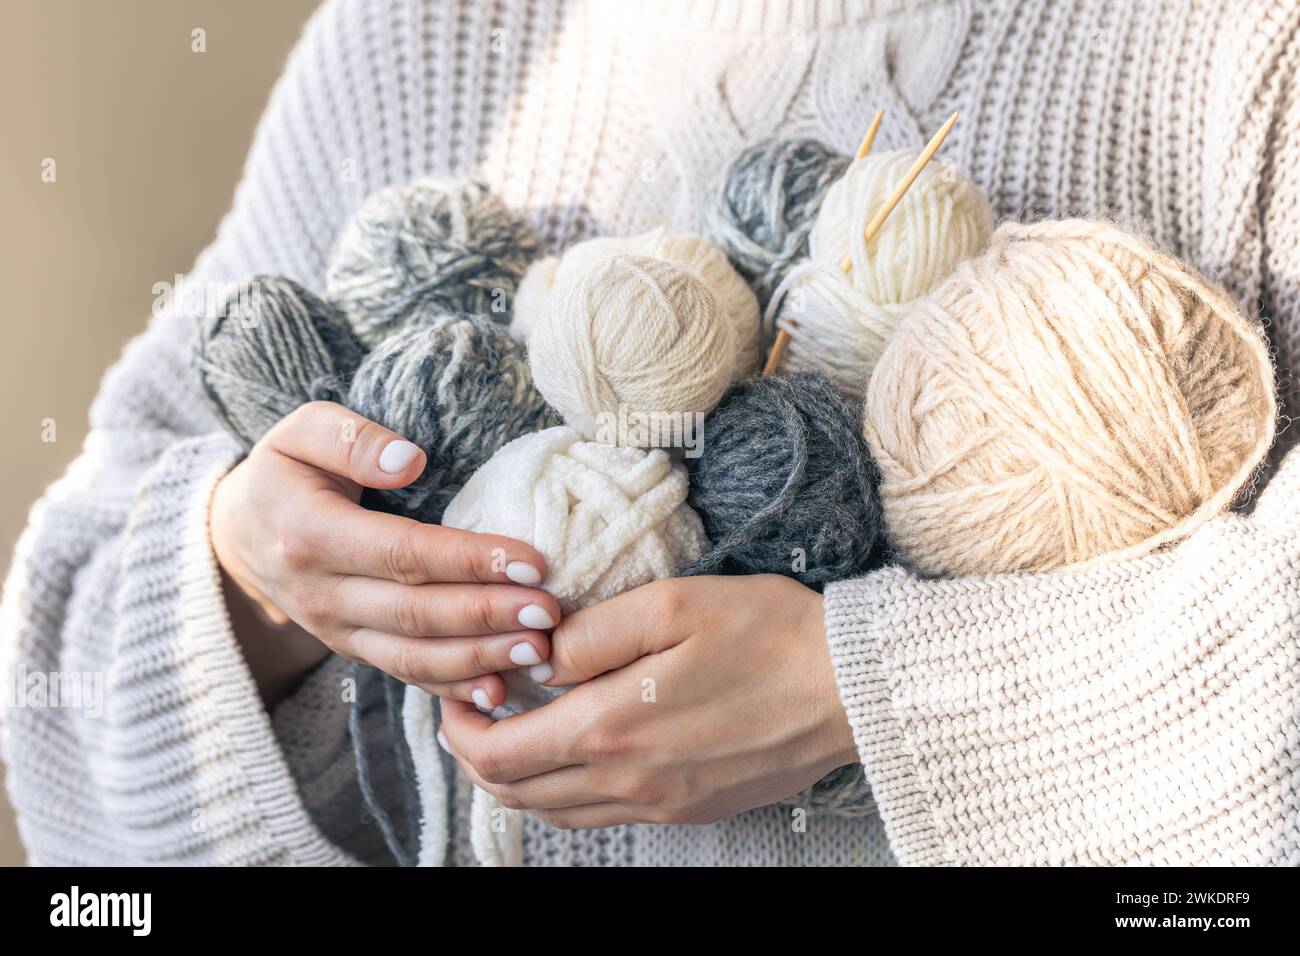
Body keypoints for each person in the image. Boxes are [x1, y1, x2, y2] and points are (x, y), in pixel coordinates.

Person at [3, 0, 1298, 866]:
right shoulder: (434, 39)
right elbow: (59, 655)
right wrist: (256, 580)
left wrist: (872, 694)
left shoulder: (1239, 54)